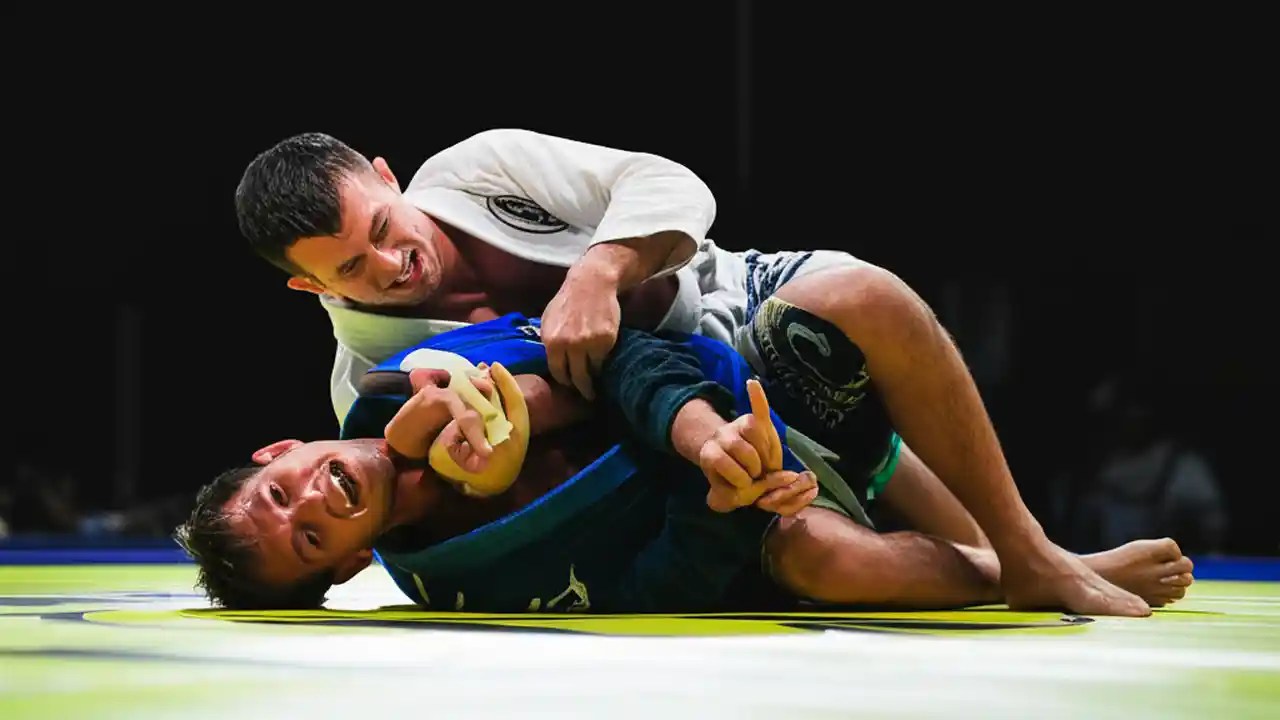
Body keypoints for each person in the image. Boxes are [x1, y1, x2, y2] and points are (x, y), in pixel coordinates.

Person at [232, 128, 1156, 616]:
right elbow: (571, 483)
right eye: (351, 269)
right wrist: (701, 460)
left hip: (715, 313)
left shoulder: (477, 170)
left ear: (390, 178)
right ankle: (1022, 566)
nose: (392, 267)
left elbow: (672, 186)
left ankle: (1034, 555)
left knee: (862, 298)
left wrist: (602, 269)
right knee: (807, 537)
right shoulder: (370, 393)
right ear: (306, 286)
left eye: (384, 230)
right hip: (661, 435)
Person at [175, 314, 1194, 613]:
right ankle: (1029, 572)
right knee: (811, 560)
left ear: (282, 447)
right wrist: (720, 497)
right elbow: (639, 592)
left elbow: (615, 352)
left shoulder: (413, 373)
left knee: (834, 323)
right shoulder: (454, 579)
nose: (313, 498)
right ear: (347, 567)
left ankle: (1036, 551)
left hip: (746, 398)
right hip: (744, 511)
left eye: (282, 487)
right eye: (309, 538)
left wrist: (703, 433)